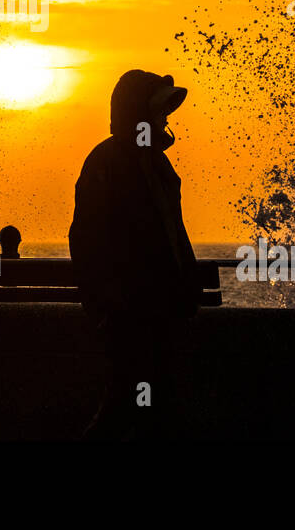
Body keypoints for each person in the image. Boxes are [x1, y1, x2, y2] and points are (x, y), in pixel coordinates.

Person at [68, 70, 202, 439]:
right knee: (131, 402)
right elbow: (87, 239)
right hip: (132, 314)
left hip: (159, 311)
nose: (166, 120)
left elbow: (172, 232)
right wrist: (110, 305)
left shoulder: (153, 162)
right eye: (159, 113)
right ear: (138, 116)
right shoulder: (110, 161)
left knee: (144, 403)